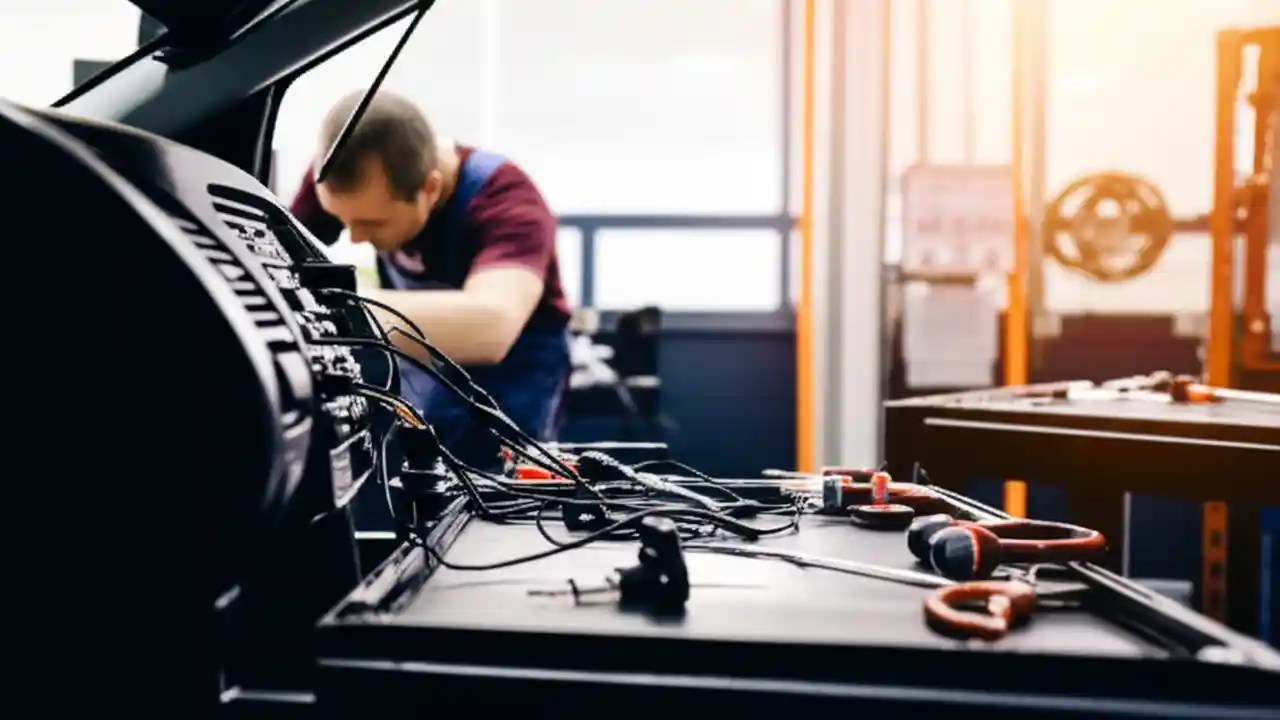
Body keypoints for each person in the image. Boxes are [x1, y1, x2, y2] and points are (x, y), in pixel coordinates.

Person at [287, 90, 572, 470]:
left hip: (515, 377)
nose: (353, 237)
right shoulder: (342, 175)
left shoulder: (508, 200)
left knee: (497, 496)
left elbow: (490, 326)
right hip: (427, 367)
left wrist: (335, 308)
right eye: (341, 220)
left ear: (430, 188)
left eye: (373, 223)